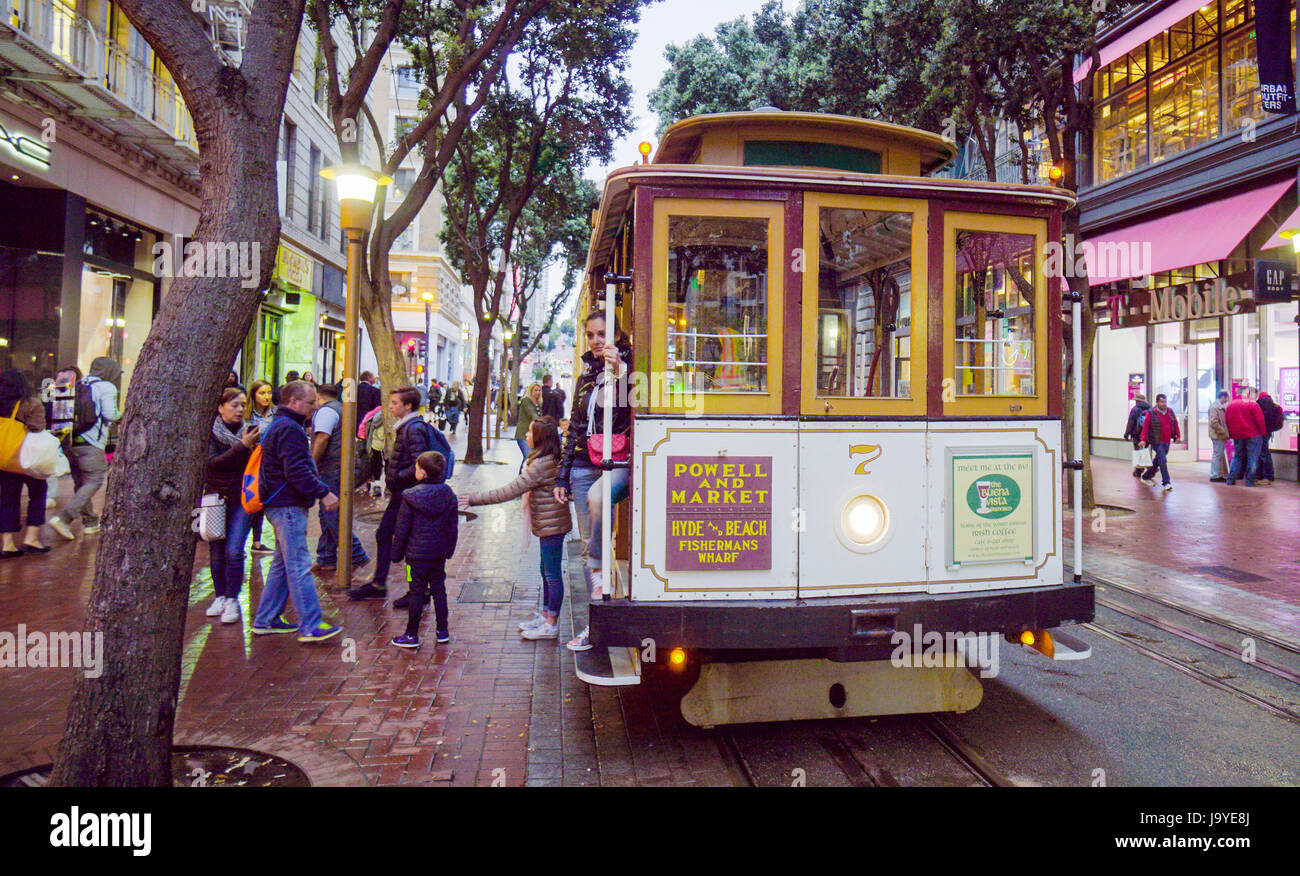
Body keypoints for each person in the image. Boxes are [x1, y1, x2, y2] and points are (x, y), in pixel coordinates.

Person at [554, 310, 633, 651]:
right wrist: (563, 473)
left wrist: (621, 372)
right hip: (584, 465)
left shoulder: (629, 371)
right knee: (589, 550)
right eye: (591, 335)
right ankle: (595, 623)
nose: (597, 341)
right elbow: (574, 425)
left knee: (600, 503)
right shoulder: (585, 376)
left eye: (603, 334)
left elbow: (631, 409)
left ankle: (605, 589)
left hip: (616, 461)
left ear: (616, 335)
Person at [249, 380, 343, 643]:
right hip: (287, 505)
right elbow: (297, 470)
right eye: (311, 402)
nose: (315, 406)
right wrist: (323, 492)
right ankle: (311, 624)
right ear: (293, 402)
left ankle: (266, 619)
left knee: (282, 563)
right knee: (299, 564)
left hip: (281, 503)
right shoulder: (290, 429)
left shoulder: (282, 425)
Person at [462, 416, 570, 640]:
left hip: (552, 525)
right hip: (549, 524)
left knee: (551, 574)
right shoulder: (543, 459)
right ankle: (546, 615)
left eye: (530, 432)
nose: (526, 436)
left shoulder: (541, 464)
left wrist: (474, 499)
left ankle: (551, 624)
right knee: (546, 571)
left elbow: (510, 490)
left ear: (539, 437)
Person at [349, 386, 444, 602]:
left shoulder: (413, 429)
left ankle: (413, 589)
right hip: (403, 494)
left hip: (406, 495)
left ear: (407, 405)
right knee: (389, 537)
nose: (390, 407)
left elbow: (421, 463)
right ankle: (386, 583)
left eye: (394, 403)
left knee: (402, 541)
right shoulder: (407, 427)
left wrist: (399, 476)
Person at [390, 451, 458, 648]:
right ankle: (442, 631)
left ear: (423, 473)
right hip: (437, 555)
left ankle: (412, 634)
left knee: (416, 591)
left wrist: (396, 554)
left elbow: (402, 529)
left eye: (418, 468)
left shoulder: (410, 497)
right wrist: (449, 550)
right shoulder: (448, 495)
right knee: (439, 589)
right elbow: (452, 527)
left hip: (415, 556)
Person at [203, 387, 259, 624]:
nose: (239, 410)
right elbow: (213, 464)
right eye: (234, 405)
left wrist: (248, 445)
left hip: (243, 500)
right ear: (220, 407)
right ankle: (221, 596)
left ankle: (233, 599)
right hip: (216, 498)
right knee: (216, 551)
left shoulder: (252, 431)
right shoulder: (211, 433)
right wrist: (241, 447)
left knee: (234, 550)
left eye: (243, 405)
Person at [48, 356, 120, 540]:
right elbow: (110, 415)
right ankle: (65, 518)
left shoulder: (78, 384)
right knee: (95, 479)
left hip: (70, 442)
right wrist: (125, 414)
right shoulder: (107, 387)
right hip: (92, 443)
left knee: (81, 483)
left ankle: (90, 522)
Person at [309, 381, 369, 573]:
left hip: (332, 468)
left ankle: (356, 553)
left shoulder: (326, 412)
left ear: (319, 397)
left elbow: (322, 438)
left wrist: (312, 464)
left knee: (332, 512)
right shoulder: (341, 409)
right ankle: (326, 557)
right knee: (327, 513)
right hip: (340, 467)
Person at [0, 370, 51, 556]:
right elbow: (38, 428)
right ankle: (32, 538)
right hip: (26, 458)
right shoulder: (31, 404)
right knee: (38, 492)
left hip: (4, 459)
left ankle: (7, 544)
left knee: (8, 498)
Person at [246, 379, 277, 553]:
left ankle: (259, 540)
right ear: (254, 395)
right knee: (254, 500)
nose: (266, 397)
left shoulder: (275, 413)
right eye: (262, 393)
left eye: (269, 392)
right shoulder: (248, 416)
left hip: (271, 463)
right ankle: (254, 541)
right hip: (253, 462)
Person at [1225, 387, 1267, 487]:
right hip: (1253, 434)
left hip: (1238, 435)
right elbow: (1260, 421)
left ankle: (1231, 479)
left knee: (1237, 457)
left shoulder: (1230, 405)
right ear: (1248, 393)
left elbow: (1228, 421)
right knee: (1253, 457)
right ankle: (1250, 481)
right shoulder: (1253, 404)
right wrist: (1263, 433)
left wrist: (1231, 434)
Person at [1138, 393, 1179, 491]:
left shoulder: (1170, 411)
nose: (1164, 404)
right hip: (1156, 441)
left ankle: (1146, 476)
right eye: (1162, 402)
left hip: (1167, 440)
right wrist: (1143, 440)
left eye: (1165, 401)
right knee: (1163, 460)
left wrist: (1178, 435)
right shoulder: (1151, 413)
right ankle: (1166, 482)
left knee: (1159, 460)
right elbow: (1145, 427)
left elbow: (1175, 423)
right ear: (1157, 402)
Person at [1256, 389, 1284, 486]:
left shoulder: (1262, 403)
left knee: (1263, 453)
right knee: (1265, 453)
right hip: (1268, 432)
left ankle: (1267, 476)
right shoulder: (1272, 404)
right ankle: (1266, 476)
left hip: (1262, 432)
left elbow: (1260, 418)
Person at [1123, 392, 1151, 478]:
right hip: (1147, 434)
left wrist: (1127, 434)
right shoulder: (1150, 409)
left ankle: (1139, 470)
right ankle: (1143, 468)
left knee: (1138, 452)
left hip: (1137, 434)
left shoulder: (1135, 409)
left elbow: (1131, 422)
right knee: (1144, 450)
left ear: (1137, 401)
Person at [515, 383, 541, 472]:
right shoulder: (526, 401)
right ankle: (521, 479)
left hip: (533, 435)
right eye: (535, 390)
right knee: (528, 457)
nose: (538, 392)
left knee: (529, 458)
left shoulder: (539, 403)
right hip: (523, 434)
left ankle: (522, 479)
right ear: (531, 391)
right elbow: (532, 414)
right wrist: (541, 422)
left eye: (539, 390)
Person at [1207, 390, 1230, 482]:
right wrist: (1223, 432)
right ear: (1223, 397)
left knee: (1218, 454)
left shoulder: (1218, 407)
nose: (1227, 400)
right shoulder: (1215, 407)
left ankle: (1217, 474)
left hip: (1219, 434)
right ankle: (1214, 475)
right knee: (1217, 454)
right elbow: (1214, 422)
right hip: (1218, 435)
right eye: (1227, 398)